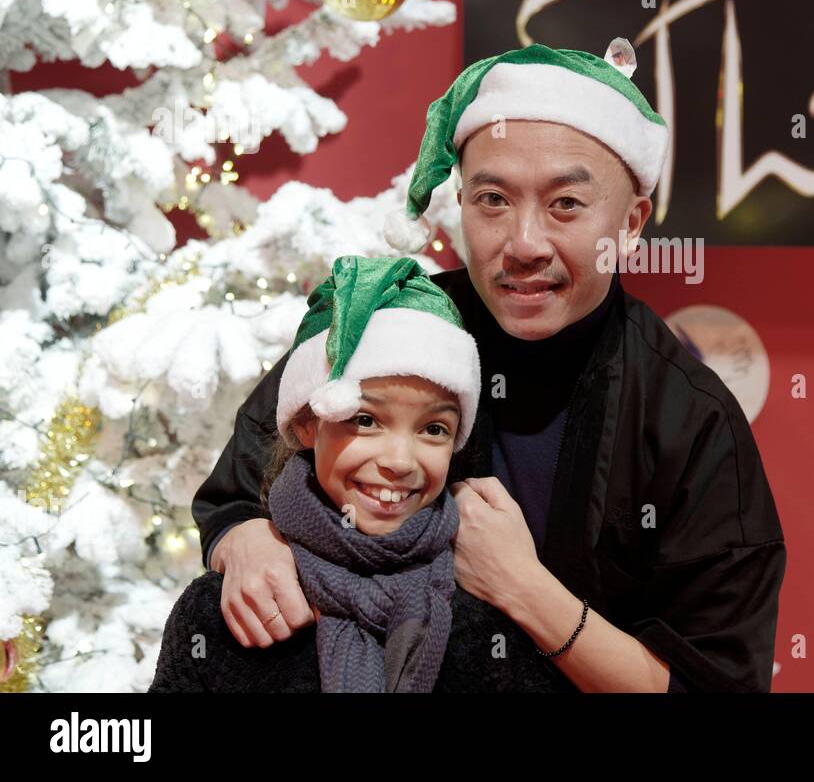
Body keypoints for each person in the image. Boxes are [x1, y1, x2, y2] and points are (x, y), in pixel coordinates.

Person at [194, 40, 787, 692]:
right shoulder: (387, 326)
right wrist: (246, 540)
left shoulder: (691, 422)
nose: (523, 244)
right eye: (493, 200)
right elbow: (232, 495)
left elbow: (712, 686)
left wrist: (522, 587)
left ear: (631, 223)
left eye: (566, 204)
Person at [152, 256, 573, 692]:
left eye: (433, 429)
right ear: (307, 424)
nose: (400, 460)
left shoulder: (486, 621)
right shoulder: (224, 608)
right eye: (366, 420)